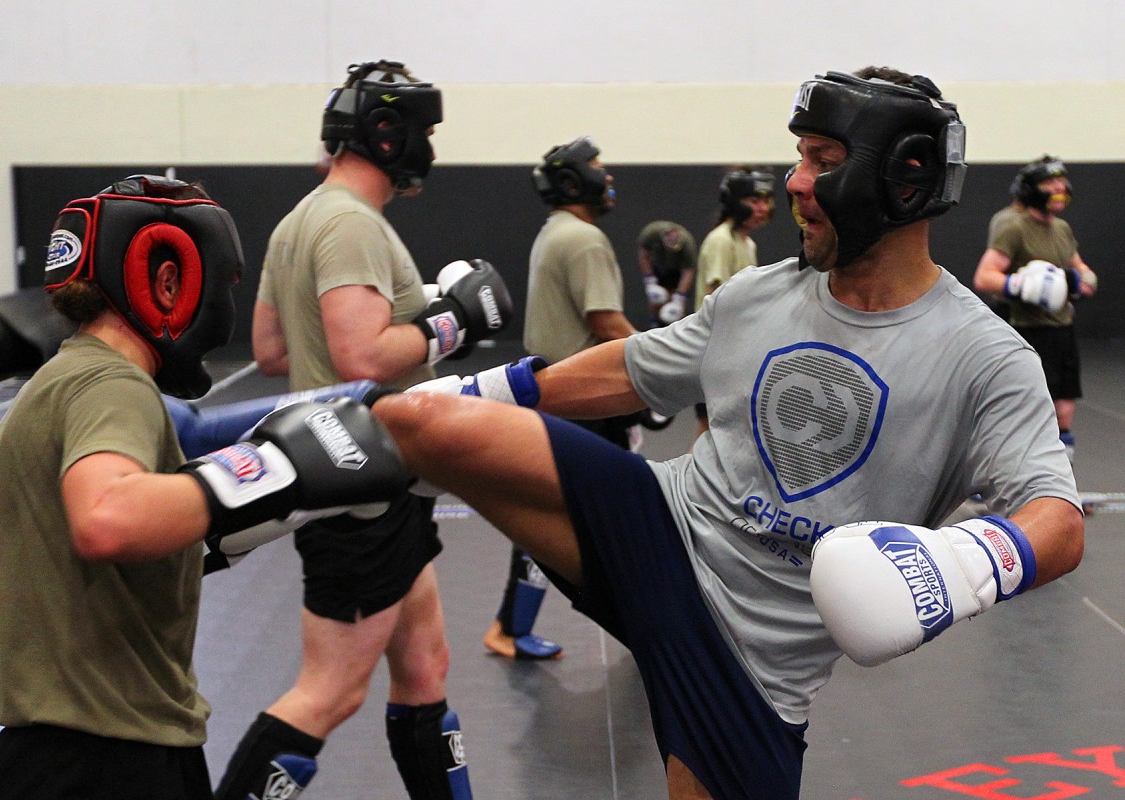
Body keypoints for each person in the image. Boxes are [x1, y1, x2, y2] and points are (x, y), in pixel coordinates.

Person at [366, 68, 1085, 800]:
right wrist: (493, 388)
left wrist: (962, 564)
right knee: (415, 419)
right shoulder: (757, 294)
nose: (796, 182)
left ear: (902, 182)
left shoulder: (986, 358)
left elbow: (1057, 521)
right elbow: (636, 366)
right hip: (658, 531)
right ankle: (247, 493)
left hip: (756, 667)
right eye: (800, 156)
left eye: (824, 163)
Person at [0, 175, 407, 800]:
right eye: (220, 285)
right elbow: (108, 518)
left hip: (81, 744)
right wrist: (272, 470)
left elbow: (107, 553)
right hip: (103, 757)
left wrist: (269, 513)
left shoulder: (60, 381)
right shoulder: (109, 386)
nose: (223, 311)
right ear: (169, 281)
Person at [215, 60, 510, 800]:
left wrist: (425, 323)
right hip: (360, 487)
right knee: (329, 692)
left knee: (425, 666)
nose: (429, 149)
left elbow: (272, 352)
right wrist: (453, 321)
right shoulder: (350, 224)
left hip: (379, 479)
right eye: (425, 133)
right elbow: (360, 355)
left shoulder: (300, 219)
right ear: (389, 133)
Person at [480, 137, 639, 662]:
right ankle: (513, 625)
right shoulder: (585, 239)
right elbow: (607, 323)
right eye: (597, 166)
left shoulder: (556, 232)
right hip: (579, 400)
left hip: (549, 392)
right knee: (600, 516)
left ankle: (512, 624)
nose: (607, 175)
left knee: (563, 513)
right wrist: (670, 366)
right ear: (573, 182)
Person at [972, 155, 1098, 463]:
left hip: (1060, 327)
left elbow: (1087, 276)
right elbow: (985, 277)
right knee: (1017, 406)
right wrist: (1023, 285)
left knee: (1064, 407)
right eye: (1049, 183)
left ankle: (1057, 481)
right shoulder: (1011, 224)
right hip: (1023, 328)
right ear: (1031, 189)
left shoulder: (1062, 229)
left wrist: (1072, 281)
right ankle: (992, 472)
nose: (1058, 189)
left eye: (1061, 182)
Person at [692, 167, 776, 437]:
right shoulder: (721, 241)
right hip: (716, 348)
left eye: (765, 200)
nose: (762, 207)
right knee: (710, 430)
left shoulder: (746, 243)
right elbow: (719, 297)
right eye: (754, 201)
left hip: (736, 348)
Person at [636, 220, 698, 328]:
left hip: (676, 272)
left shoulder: (688, 243)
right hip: (658, 268)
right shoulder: (651, 233)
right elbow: (644, 255)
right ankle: (654, 326)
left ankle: (677, 329)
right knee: (656, 299)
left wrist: (680, 296)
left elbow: (688, 270)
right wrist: (650, 280)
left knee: (675, 310)